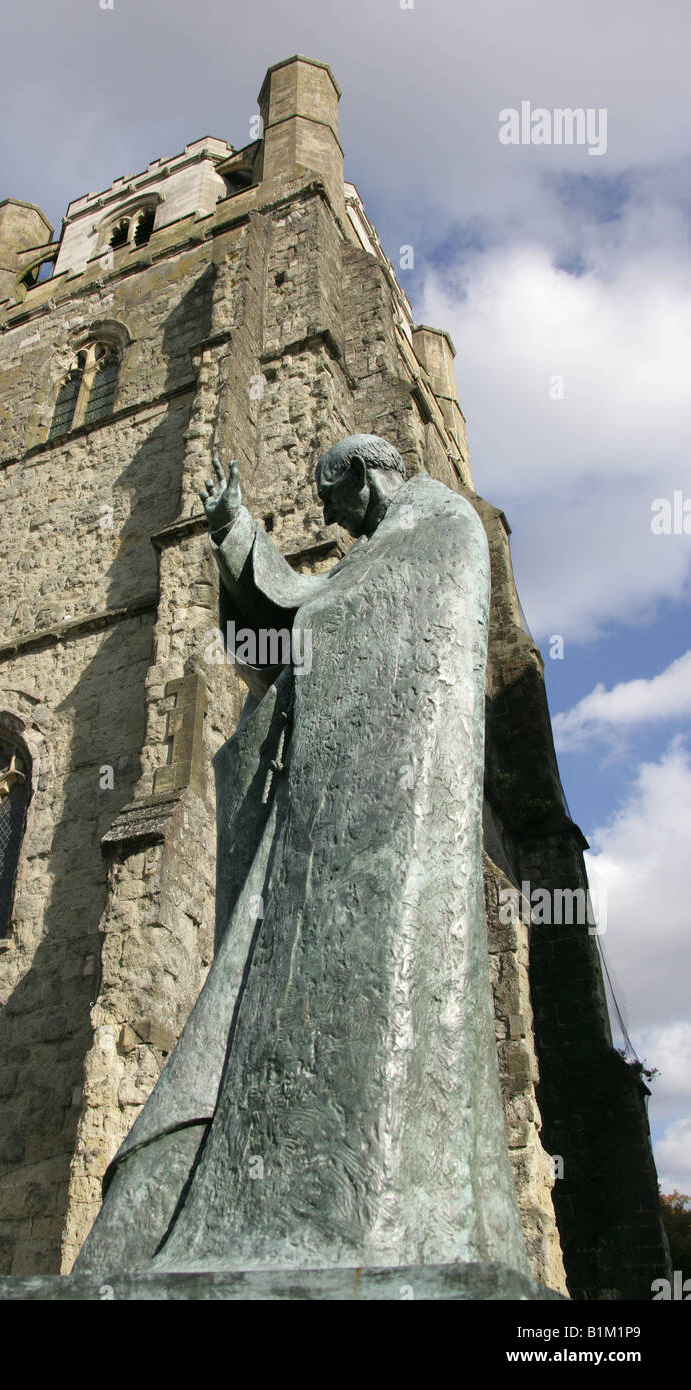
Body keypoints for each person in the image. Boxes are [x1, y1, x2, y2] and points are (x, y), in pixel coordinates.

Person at [75, 435, 530, 1281]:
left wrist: (302, 612)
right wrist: (237, 532)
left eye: (338, 506)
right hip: (318, 829)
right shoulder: (389, 543)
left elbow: (339, 616)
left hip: (379, 830)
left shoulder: (445, 527)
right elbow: (311, 609)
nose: (337, 525)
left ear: (363, 474)